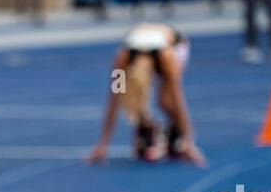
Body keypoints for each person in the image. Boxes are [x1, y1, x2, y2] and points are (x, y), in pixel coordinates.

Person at [87, 23, 205, 166]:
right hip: (143, 40)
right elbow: (114, 100)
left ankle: (175, 130)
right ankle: (147, 126)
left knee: (165, 101)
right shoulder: (121, 59)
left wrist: (189, 142)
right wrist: (103, 144)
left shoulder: (167, 58)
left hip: (176, 45)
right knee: (132, 102)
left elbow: (178, 100)